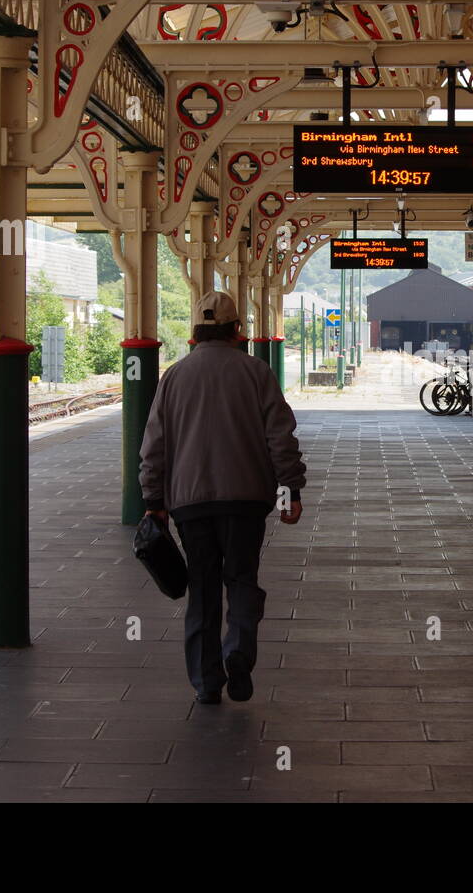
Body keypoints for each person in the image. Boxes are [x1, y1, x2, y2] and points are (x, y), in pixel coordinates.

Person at [139, 291, 307, 705]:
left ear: (195, 332)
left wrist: (153, 500)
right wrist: (290, 489)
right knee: (242, 580)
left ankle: (206, 681)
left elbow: (153, 447)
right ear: (237, 330)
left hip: (190, 504)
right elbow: (280, 438)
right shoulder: (257, 373)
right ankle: (238, 652)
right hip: (247, 500)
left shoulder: (174, 377)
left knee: (203, 588)